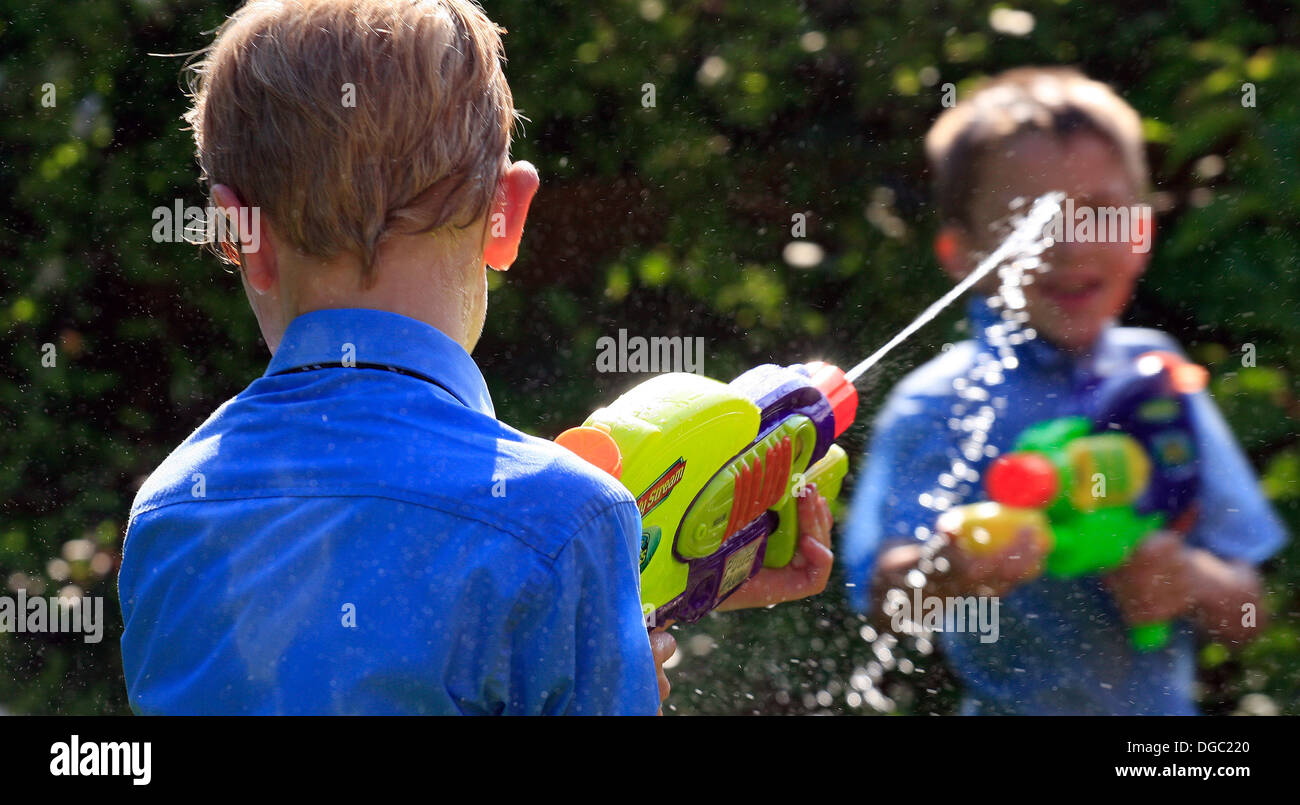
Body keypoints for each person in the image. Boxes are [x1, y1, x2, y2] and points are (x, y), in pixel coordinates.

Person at [118, 0, 833, 715]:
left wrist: (626, 598)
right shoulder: (563, 521)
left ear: (237, 231)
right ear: (509, 215)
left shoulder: (172, 511)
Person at [843, 67, 1286, 715]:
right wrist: (950, 570)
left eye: (1101, 212)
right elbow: (883, 603)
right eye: (1030, 219)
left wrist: (1188, 579)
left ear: (1141, 232)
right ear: (964, 255)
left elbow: (1250, 611)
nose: (1071, 244)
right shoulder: (937, 401)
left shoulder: (1161, 380)